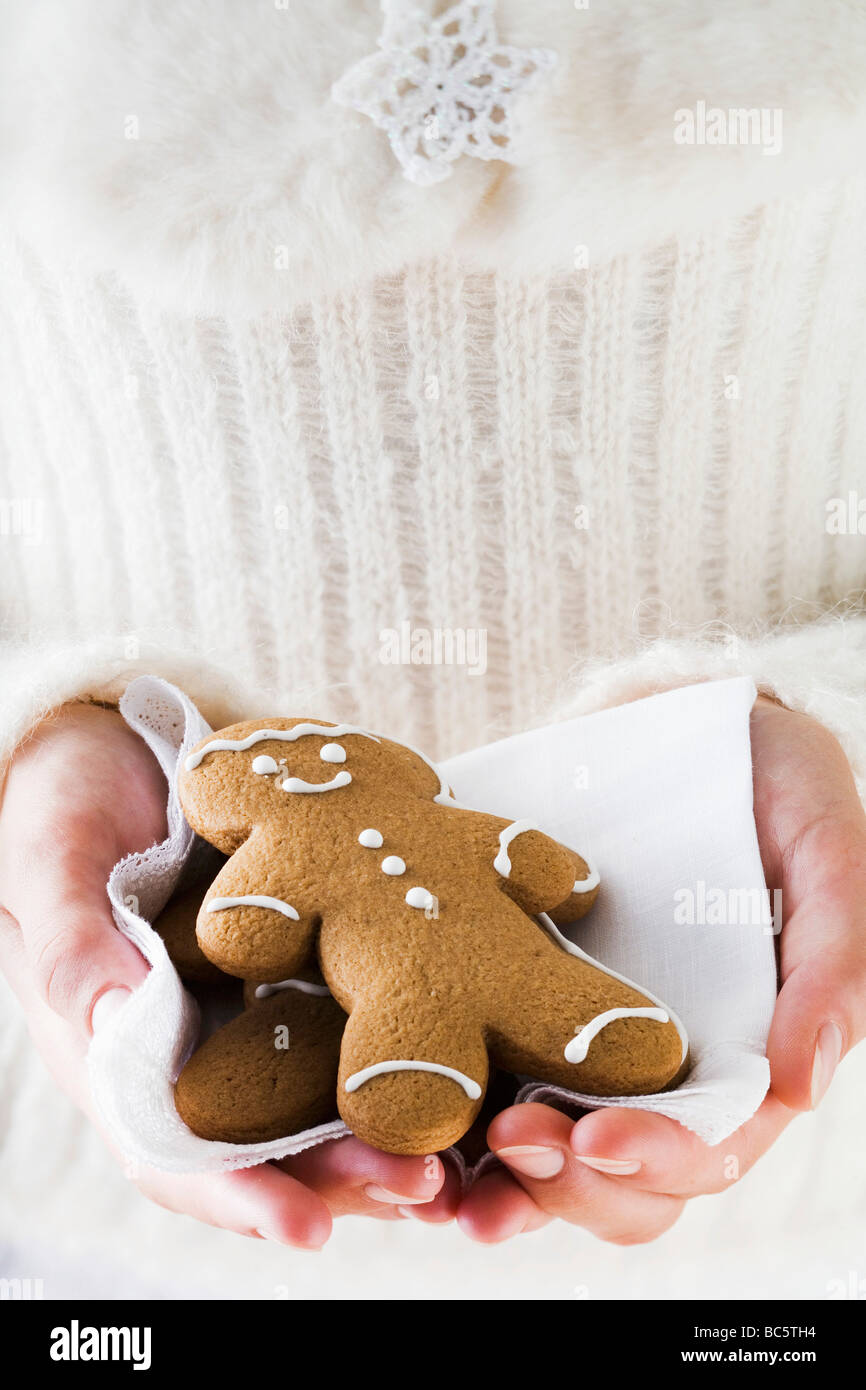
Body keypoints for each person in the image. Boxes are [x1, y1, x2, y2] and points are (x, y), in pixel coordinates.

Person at [1, 1, 865, 1263]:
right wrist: (41, 745)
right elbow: (252, 927)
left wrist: (826, 733)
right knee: (423, 1032)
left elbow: (534, 870)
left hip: (803, 1210)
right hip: (88, 1212)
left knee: (548, 996)